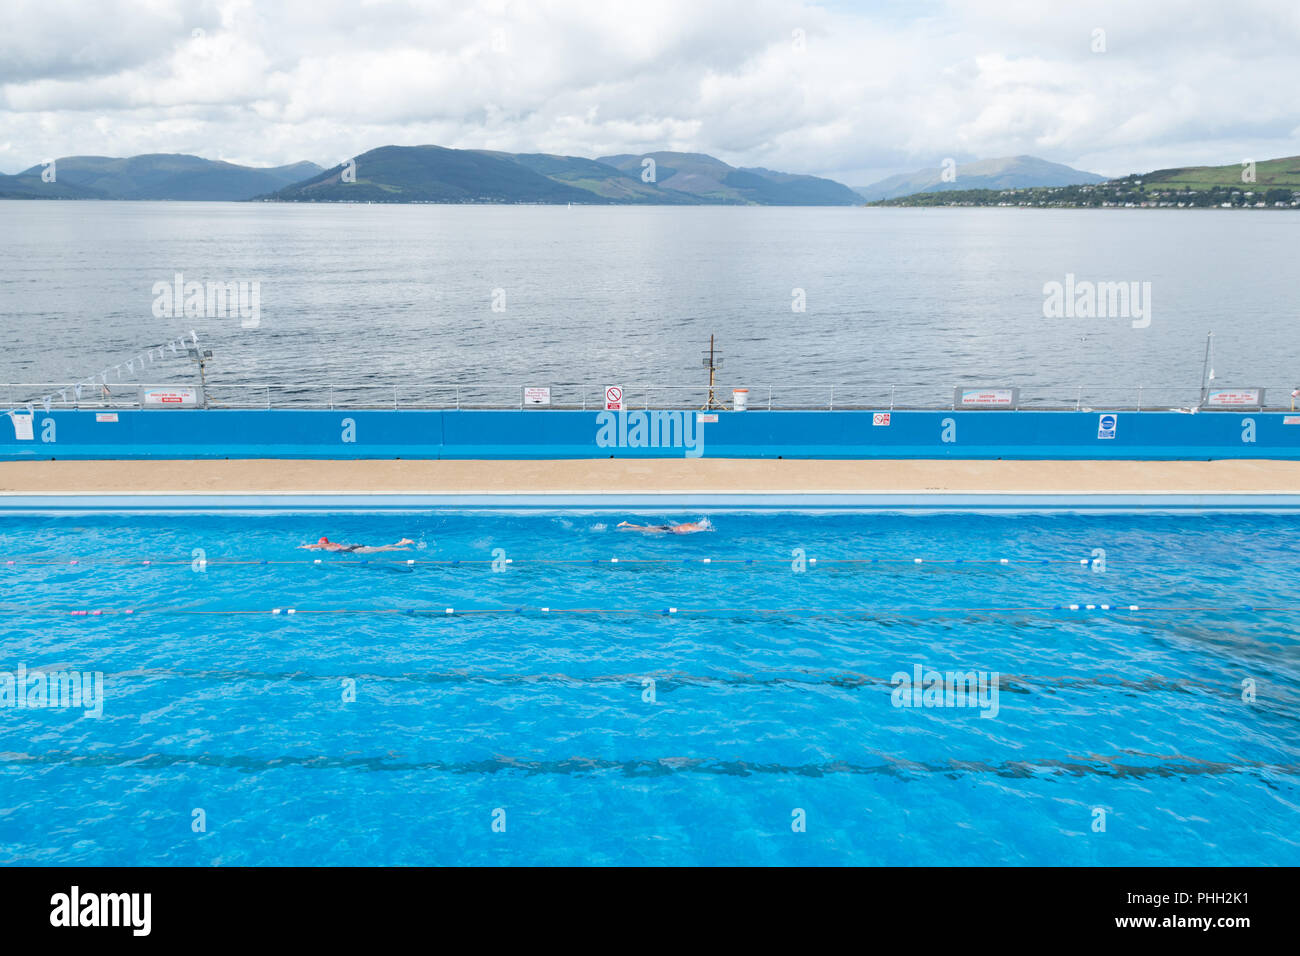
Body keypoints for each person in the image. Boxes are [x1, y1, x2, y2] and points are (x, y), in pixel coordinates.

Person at [300, 536, 415, 553]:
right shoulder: (331, 544)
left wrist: (302, 547)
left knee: (380, 550)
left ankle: (403, 547)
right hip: (354, 547)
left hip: (354, 550)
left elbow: (312, 546)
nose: (318, 544)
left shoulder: (327, 546)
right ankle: (401, 542)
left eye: (320, 543)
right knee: (380, 548)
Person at [616, 518, 713, 535]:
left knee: (645, 528)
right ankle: (626, 526)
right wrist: (708, 530)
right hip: (668, 531)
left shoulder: (688, 524)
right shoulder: (691, 527)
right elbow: (699, 529)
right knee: (644, 529)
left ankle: (627, 524)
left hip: (666, 527)